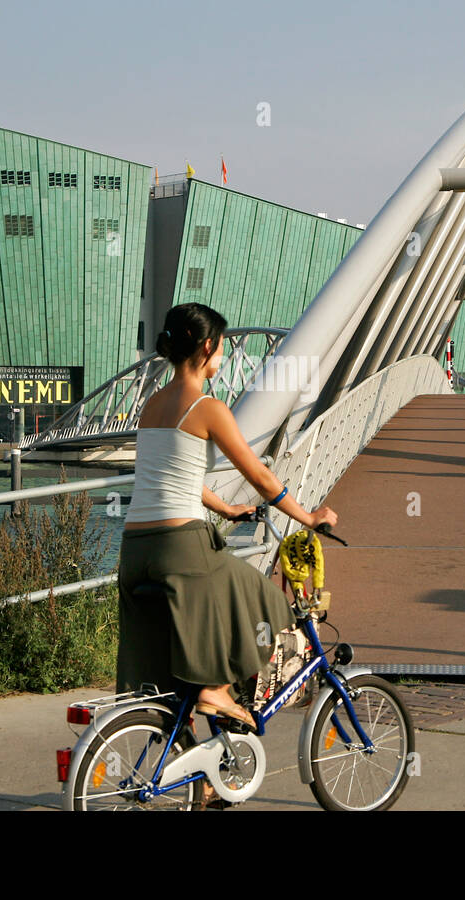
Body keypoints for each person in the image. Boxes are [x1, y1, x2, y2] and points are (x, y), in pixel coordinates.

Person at [117, 302, 338, 726]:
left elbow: (171, 477)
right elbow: (259, 474)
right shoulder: (207, 407)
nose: (222, 355)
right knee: (267, 600)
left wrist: (225, 508)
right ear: (206, 347)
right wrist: (309, 517)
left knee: (169, 684)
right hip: (180, 549)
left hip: (134, 553)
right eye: (220, 347)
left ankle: (198, 786)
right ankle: (217, 688)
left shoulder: (151, 406)